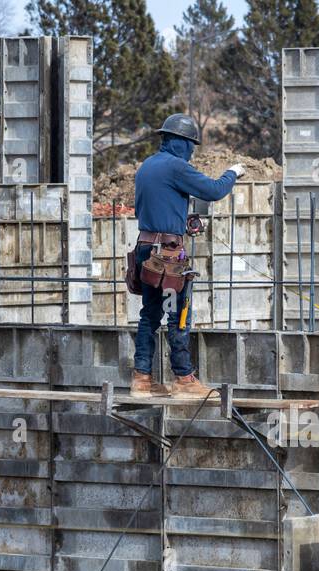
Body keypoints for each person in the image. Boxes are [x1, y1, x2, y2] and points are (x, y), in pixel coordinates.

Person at [129, 113, 244, 398]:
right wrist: (233, 172)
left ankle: (141, 379)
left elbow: (152, 206)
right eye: (191, 144)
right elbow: (214, 191)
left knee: (150, 315)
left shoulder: (147, 166)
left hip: (146, 250)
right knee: (178, 313)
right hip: (167, 257)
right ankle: (183, 378)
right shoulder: (176, 167)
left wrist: (179, 219)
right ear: (182, 143)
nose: (192, 151)